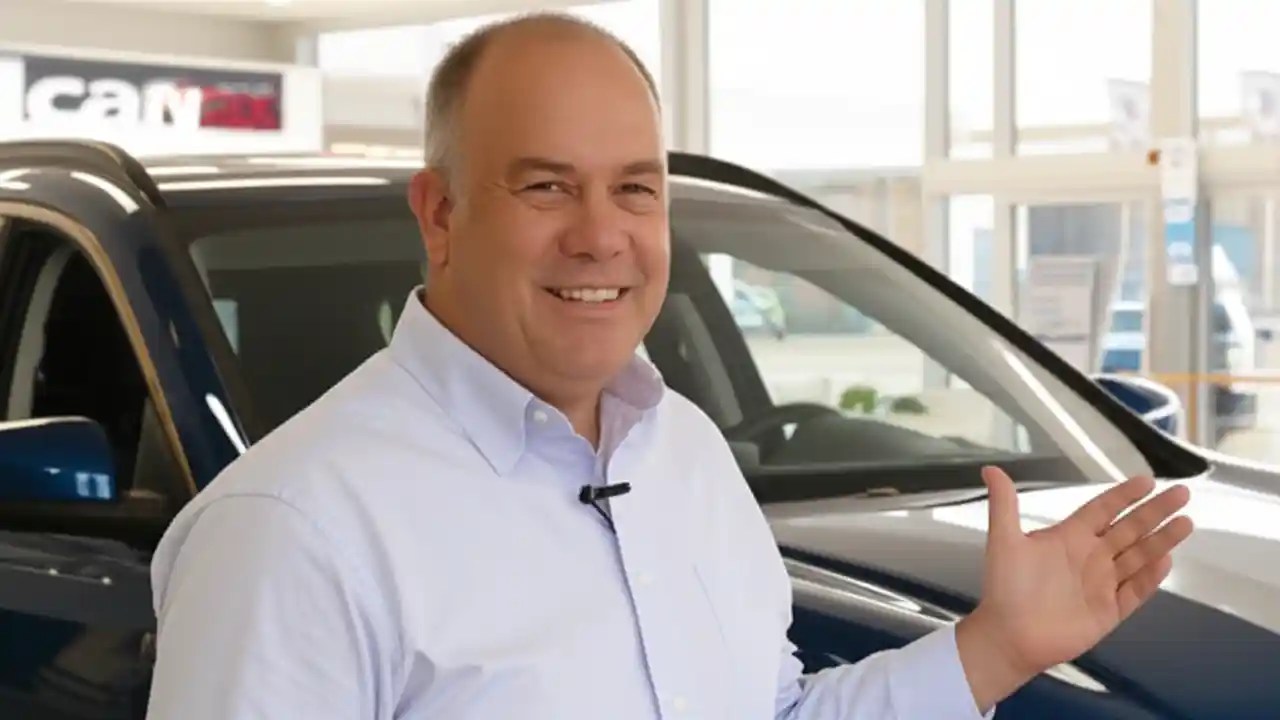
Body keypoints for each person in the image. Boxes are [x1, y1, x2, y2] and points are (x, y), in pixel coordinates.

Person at [144, 12, 1194, 720]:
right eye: (546, 187)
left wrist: (994, 648)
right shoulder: (291, 530)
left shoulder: (680, 452)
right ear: (441, 214)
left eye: (635, 189)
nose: (601, 237)